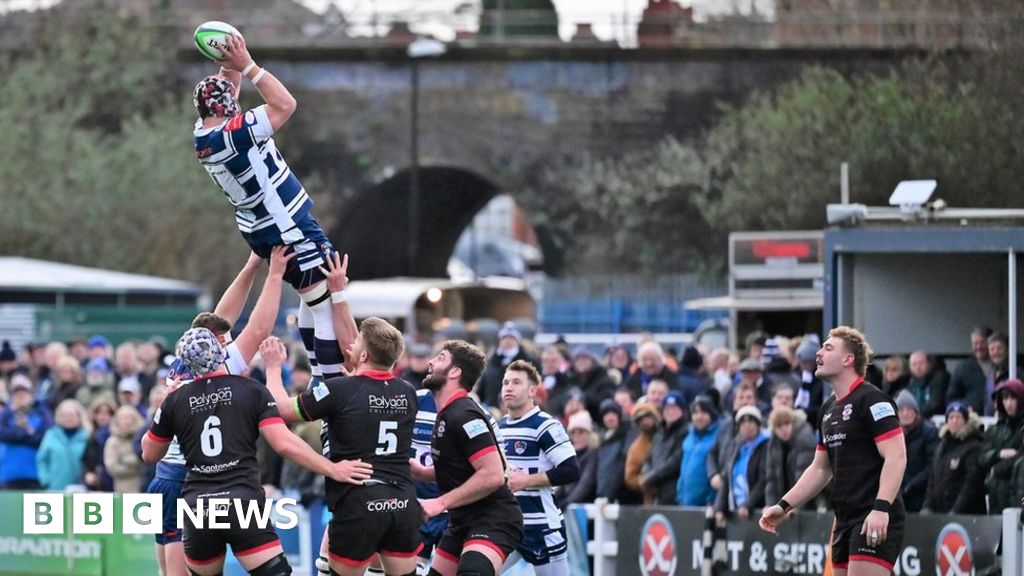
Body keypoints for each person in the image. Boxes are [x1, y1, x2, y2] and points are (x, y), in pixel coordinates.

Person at [191, 32, 346, 389]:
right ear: (226, 109)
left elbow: (223, 95)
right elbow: (285, 105)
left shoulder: (204, 131)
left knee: (313, 298)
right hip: (287, 225)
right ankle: (331, 383)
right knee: (325, 301)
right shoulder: (232, 135)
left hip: (264, 224)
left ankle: (322, 378)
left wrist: (228, 62)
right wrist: (248, 65)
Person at [142, 328, 364, 576]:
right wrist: (332, 469)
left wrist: (164, 407)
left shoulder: (175, 401)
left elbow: (149, 454)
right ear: (220, 353)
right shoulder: (250, 390)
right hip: (241, 502)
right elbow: (284, 444)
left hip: (198, 507)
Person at [147, 247, 303, 576]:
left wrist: (252, 263)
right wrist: (273, 276)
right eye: (227, 339)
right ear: (219, 343)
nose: (231, 343)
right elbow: (259, 330)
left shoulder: (184, 361)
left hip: (166, 476)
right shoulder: (219, 363)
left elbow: (221, 315)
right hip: (192, 480)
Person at [262, 317, 422, 576]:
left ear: (364, 355)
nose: (351, 344)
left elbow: (279, 409)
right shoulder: (407, 391)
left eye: (357, 340)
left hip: (359, 500)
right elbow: (372, 399)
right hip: (401, 503)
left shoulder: (339, 390)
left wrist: (272, 368)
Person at [760, 326, 906, 576]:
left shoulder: (873, 400)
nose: (819, 353)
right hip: (843, 518)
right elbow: (820, 468)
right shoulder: (827, 409)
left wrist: (881, 508)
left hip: (872, 514)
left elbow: (897, 456)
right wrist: (784, 505)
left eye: (828, 348)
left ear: (848, 359)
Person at [409, 340, 523, 576]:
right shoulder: (448, 413)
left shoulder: (464, 415)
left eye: (440, 357)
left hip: (493, 519)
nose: (430, 361)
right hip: (462, 521)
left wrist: (439, 502)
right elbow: (463, 470)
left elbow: (492, 475)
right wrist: (420, 472)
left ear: (455, 372)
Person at [497, 360, 579, 576]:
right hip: (508, 522)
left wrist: (526, 481)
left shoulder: (545, 425)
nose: (509, 387)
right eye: (506, 382)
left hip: (542, 525)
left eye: (516, 382)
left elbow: (571, 470)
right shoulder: (499, 427)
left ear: (532, 390)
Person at [921, 402, 985, 514]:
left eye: (958, 417)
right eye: (951, 417)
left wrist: (956, 511)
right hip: (940, 513)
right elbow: (932, 481)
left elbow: (971, 484)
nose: (954, 421)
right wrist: (927, 506)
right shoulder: (941, 447)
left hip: (966, 516)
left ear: (966, 421)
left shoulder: (973, 446)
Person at [978, 378, 1024, 514]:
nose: (1008, 403)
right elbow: (980, 458)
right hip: (996, 495)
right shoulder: (995, 429)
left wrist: (996, 469)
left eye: (1013, 398)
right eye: (1005, 398)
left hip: (1016, 494)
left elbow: (1019, 457)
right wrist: (998, 454)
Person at [893, 390, 938, 513]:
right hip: (898, 494)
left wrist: (911, 485)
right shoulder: (894, 434)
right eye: (901, 410)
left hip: (920, 494)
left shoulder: (929, 432)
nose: (906, 413)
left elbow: (932, 465)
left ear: (916, 412)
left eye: (909, 409)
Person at [641, 391, 687, 506]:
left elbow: (675, 461)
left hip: (674, 490)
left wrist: (653, 476)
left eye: (674, 408)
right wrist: (646, 473)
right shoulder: (659, 433)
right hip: (657, 491)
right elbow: (649, 458)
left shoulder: (686, 432)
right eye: (667, 408)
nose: (670, 412)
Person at [676, 395, 720, 506]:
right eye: (695, 413)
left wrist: (711, 499)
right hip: (684, 503)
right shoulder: (689, 438)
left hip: (706, 505)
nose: (699, 417)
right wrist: (680, 494)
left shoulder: (718, 437)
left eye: (703, 412)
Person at [36, 399, 89, 491]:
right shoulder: (51, 435)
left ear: (79, 417)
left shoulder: (87, 436)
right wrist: (45, 479)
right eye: (65, 416)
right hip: (55, 487)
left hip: (81, 489)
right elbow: (42, 459)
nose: (69, 419)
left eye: (72, 415)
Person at [947, 326, 993, 416]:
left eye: (982, 343)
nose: (978, 347)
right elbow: (951, 398)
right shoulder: (962, 368)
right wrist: (963, 407)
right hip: (971, 421)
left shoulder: (1001, 366)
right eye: (975, 343)